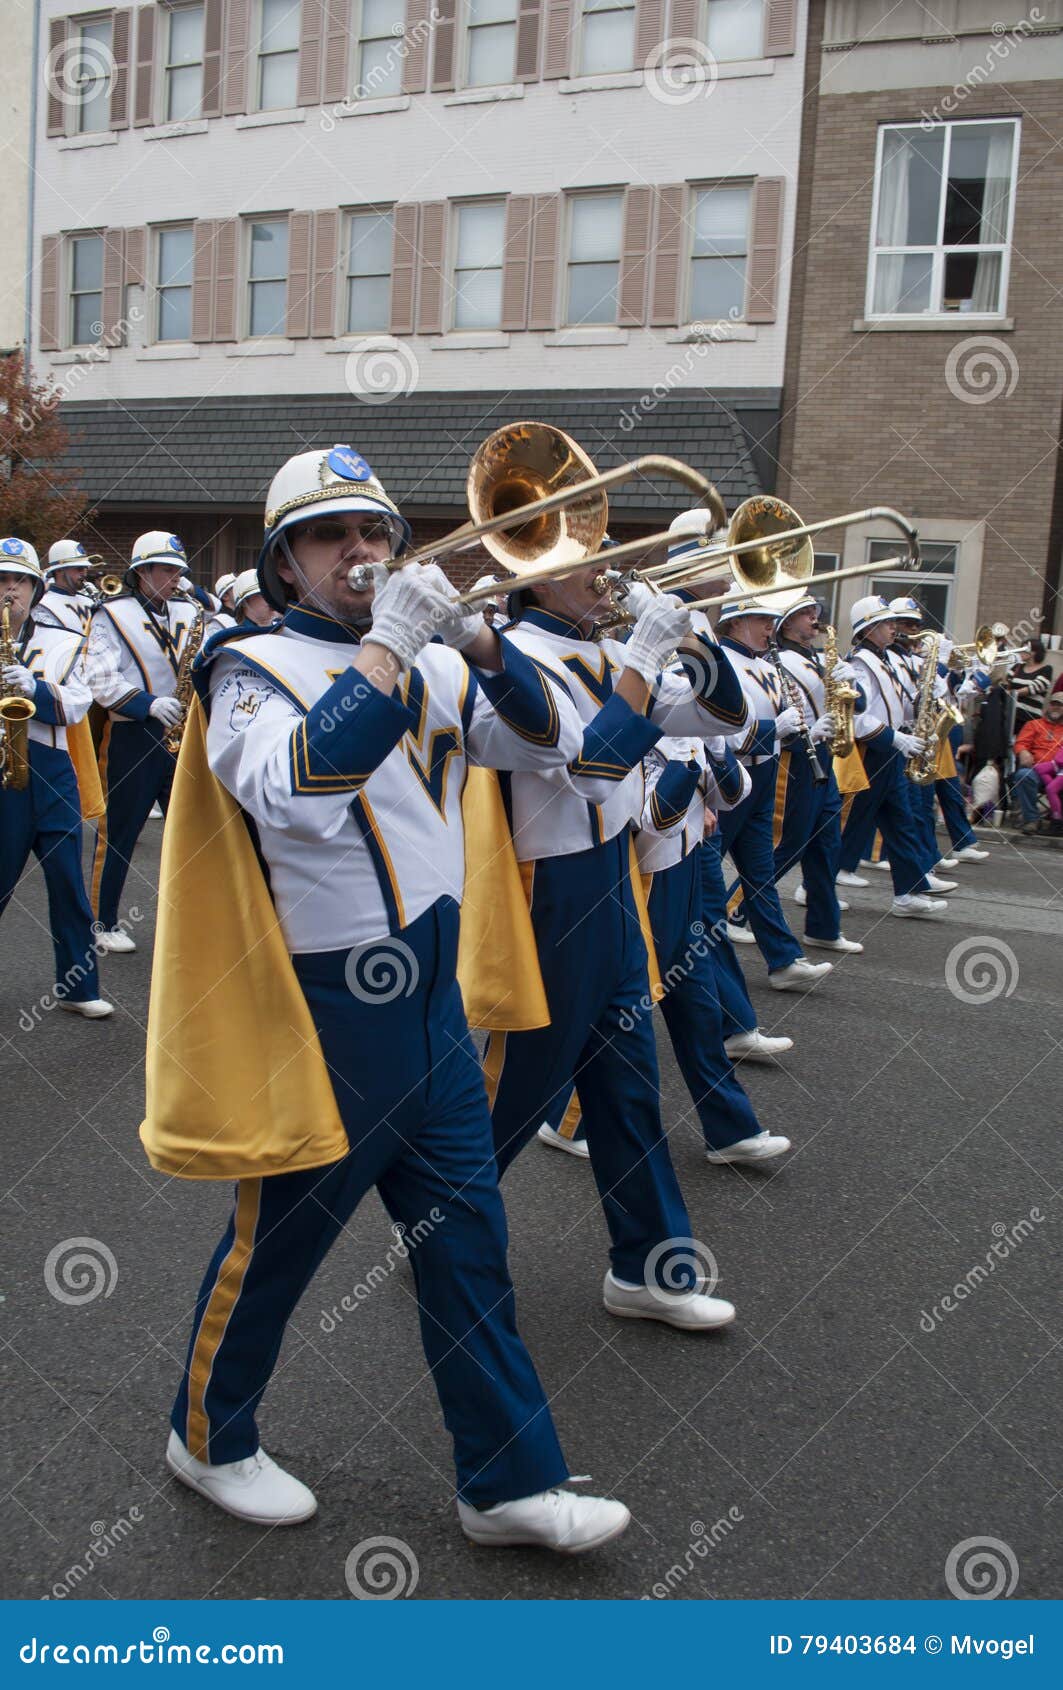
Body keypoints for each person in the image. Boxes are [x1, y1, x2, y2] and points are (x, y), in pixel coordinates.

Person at [160, 445, 630, 1552]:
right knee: (277, 1246)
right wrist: (390, 645)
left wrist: (482, 640)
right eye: (329, 536)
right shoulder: (248, 666)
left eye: (372, 532)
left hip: (433, 992)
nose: (359, 552)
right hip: (326, 1004)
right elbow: (299, 788)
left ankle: (508, 1478)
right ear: (285, 562)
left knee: (469, 1241)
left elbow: (552, 744)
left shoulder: (433, 654)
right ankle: (208, 1436)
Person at [486, 558, 749, 1331]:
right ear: (533, 580)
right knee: (518, 1087)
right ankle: (436, 1222)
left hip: (609, 877)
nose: (603, 572)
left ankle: (647, 1267)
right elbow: (593, 767)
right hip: (548, 885)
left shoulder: (606, 653)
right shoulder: (512, 657)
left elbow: (723, 716)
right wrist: (641, 654)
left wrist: (690, 636)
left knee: (628, 1083)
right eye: (582, 561)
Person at [537, 734, 791, 1165]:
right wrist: (685, 760)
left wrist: (713, 746)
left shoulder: (681, 730)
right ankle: (566, 1120)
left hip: (685, 865)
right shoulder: (637, 728)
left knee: (697, 1005)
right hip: (647, 877)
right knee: (628, 1007)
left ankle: (730, 1129)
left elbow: (733, 794)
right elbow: (654, 816)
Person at [0, 539, 112, 1019]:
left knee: (68, 881)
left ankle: (77, 987)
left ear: (35, 588)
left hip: (53, 773)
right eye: (1, 582)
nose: (9, 592)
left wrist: (36, 688)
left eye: (18, 583)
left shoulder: (63, 641)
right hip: (3, 775)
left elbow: (80, 704)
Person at [85, 531, 202, 953]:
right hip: (134, 733)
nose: (175, 578)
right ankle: (103, 921)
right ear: (142, 571)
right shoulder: (111, 615)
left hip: (184, 735)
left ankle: (191, 915)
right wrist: (148, 704)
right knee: (120, 830)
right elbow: (99, 679)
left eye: (178, 571)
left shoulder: (189, 611)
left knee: (192, 831)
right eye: (167, 570)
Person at [712, 596, 835, 989]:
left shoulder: (767, 664)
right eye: (761, 620)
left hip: (763, 777)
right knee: (702, 878)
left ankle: (783, 960)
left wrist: (807, 734)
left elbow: (784, 726)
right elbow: (719, 734)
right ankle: (699, 963)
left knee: (760, 874)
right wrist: (772, 731)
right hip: (729, 780)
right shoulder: (721, 662)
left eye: (771, 619)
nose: (770, 627)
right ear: (734, 623)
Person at [840, 596, 948, 919]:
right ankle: (820, 881)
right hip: (875, 750)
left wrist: (922, 712)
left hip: (891, 750)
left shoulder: (885, 659)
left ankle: (907, 891)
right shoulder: (860, 663)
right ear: (869, 628)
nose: (893, 628)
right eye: (887, 623)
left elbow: (897, 704)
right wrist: (897, 738)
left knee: (898, 821)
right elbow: (857, 718)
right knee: (860, 819)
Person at [771, 594, 863, 955]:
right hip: (797, 756)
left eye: (815, 613)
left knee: (827, 844)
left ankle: (823, 927)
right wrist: (809, 726)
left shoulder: (820, 657)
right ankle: (736, 910)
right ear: (786, 623)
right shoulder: (777, 659)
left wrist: (847, 679)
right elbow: (778, 707)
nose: (815, 618)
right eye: (805, 613)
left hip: (823, 754)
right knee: (788, 843)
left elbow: (859, 705)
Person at [1012, 695, 1063, 833]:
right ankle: (1032, 820)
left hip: (1059, 773)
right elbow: (1021, 743)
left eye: (1060, 705)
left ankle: (1058, 822)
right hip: (1037, 770)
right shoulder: (1033, 724)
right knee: (1023, 775)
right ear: (1048, 706)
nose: (1056, 707)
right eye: (1053, 704)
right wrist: (1023, 752)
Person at [35, 540, 101, 635]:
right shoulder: (42, 604)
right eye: (79, 569)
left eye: (85, 568)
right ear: (59, 570)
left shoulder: (89, 601)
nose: (84, 573)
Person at [1006, 638, 1054, 734]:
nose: (1020, 652)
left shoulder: (1046, 669)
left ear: (1033, 652)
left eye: (1023, 649)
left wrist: (1013, 693)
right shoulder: (1017, 667)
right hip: (1010, 715)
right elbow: (1006, 684)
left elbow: (1034, 688)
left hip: (1029, 719)